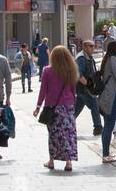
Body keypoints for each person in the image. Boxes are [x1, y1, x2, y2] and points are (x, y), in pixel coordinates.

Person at [35, 44, 79, 172]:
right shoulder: (71, 70)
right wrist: (73, 105)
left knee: (54, 134)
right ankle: (69, 162)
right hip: (68, 106)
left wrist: (38, 106)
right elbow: (73, 90)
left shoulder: (48, 71)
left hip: (52, 107)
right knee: (69, 134)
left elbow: (43, 90)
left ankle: (52, 161)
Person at [74, 39, 104, 136]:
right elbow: (79, 74)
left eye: (93, 46)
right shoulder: (82, 58)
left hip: (84, 89)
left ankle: (66, 122)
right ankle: (98, 128)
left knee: (77, 108)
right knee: (94, 106)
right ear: (85, 47)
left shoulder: (88, 57)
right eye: (91, 46)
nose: (93, 48)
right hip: (84, 89)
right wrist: (89, 85)